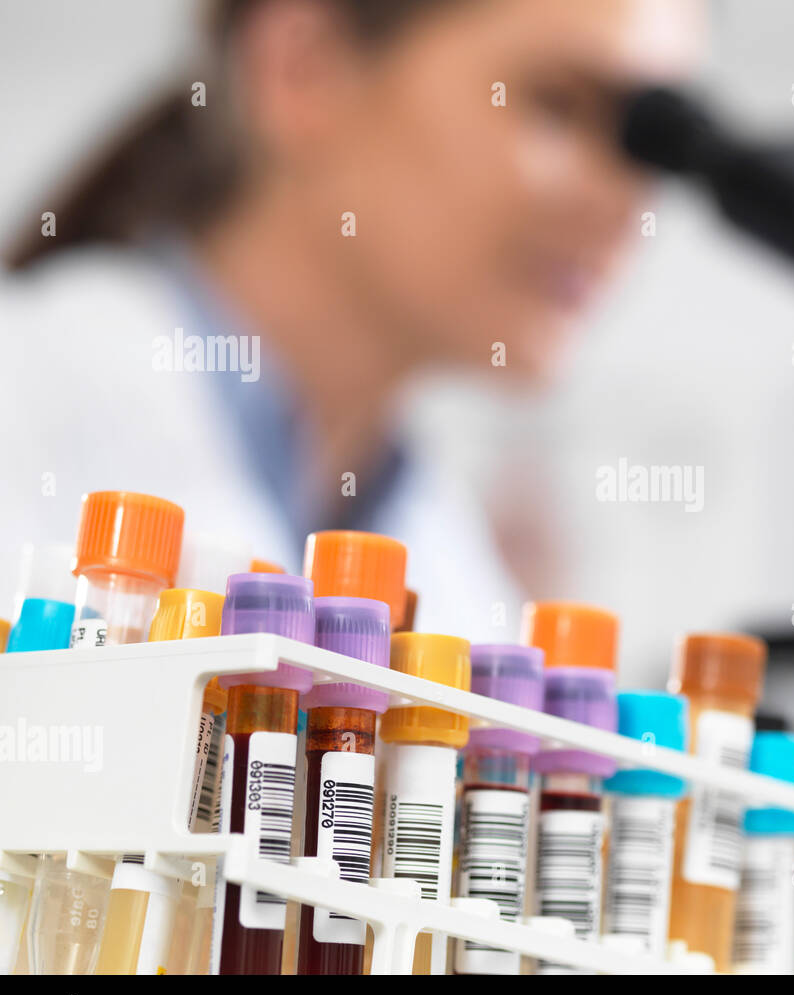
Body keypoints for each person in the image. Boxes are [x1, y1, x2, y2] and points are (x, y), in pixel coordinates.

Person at [0, 0, 703, 635]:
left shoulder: (458, 578)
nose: (624, 206)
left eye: (654, 152)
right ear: (303, 69)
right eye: (558, 106)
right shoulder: (29, 391)